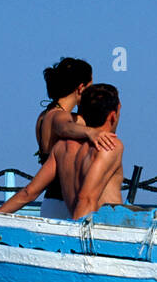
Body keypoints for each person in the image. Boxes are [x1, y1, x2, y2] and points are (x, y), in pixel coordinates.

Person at [0, 84, 125, 219]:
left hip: (78, 223)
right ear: (113, 115)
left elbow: (28, 193)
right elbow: (86, 198)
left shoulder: (62, 147)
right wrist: (75, 235)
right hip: (104, 231)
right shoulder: (110, 146)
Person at [33, 58, 116, 218]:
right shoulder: (60, 116)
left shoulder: (44, 116)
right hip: (67, 206)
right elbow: (65, 127)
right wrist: (91, 132)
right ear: (80, 88)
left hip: (50, 202)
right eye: (90, 87)